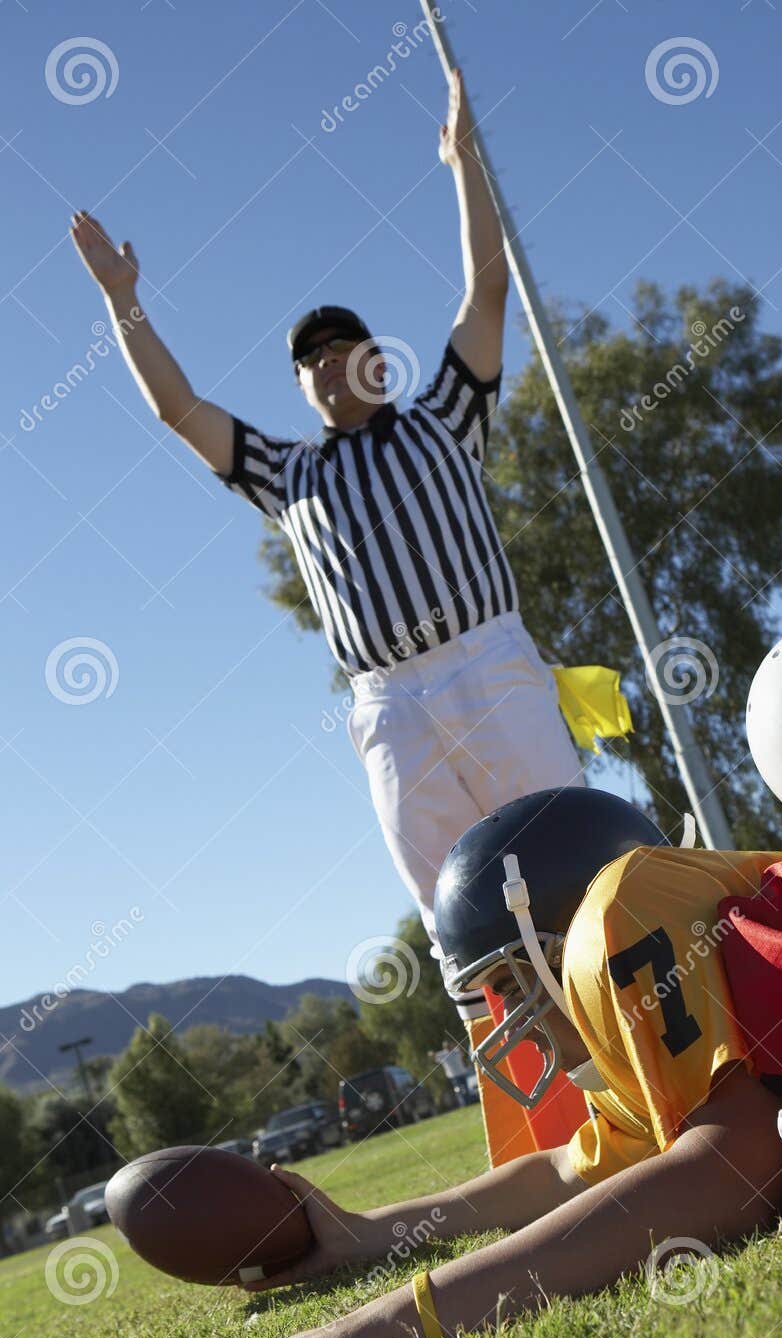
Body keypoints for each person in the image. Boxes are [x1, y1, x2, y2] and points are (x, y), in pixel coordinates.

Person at [152, 573, 782, 1338]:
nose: (510, 1022)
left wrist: (376, 1330)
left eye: (510, 985)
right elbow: (570, 1171)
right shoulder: (656, 985)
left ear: (554, 932)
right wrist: (373, 1232)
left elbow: (731, 1167)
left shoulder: (628, 909)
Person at [68, 68, 582, 1024]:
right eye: (305, 360)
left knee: (569, 854)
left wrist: (464, 160)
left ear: (374, 357)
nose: (323, 365)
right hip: (388, 706)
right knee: (456, 912)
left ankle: (662, 1038)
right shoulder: (284, 470)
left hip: (488, 664)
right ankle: (535, 1090)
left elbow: (487, 284)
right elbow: (180, 410)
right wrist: (123, 302)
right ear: (301, 385)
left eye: (339, 347)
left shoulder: (446, 417)